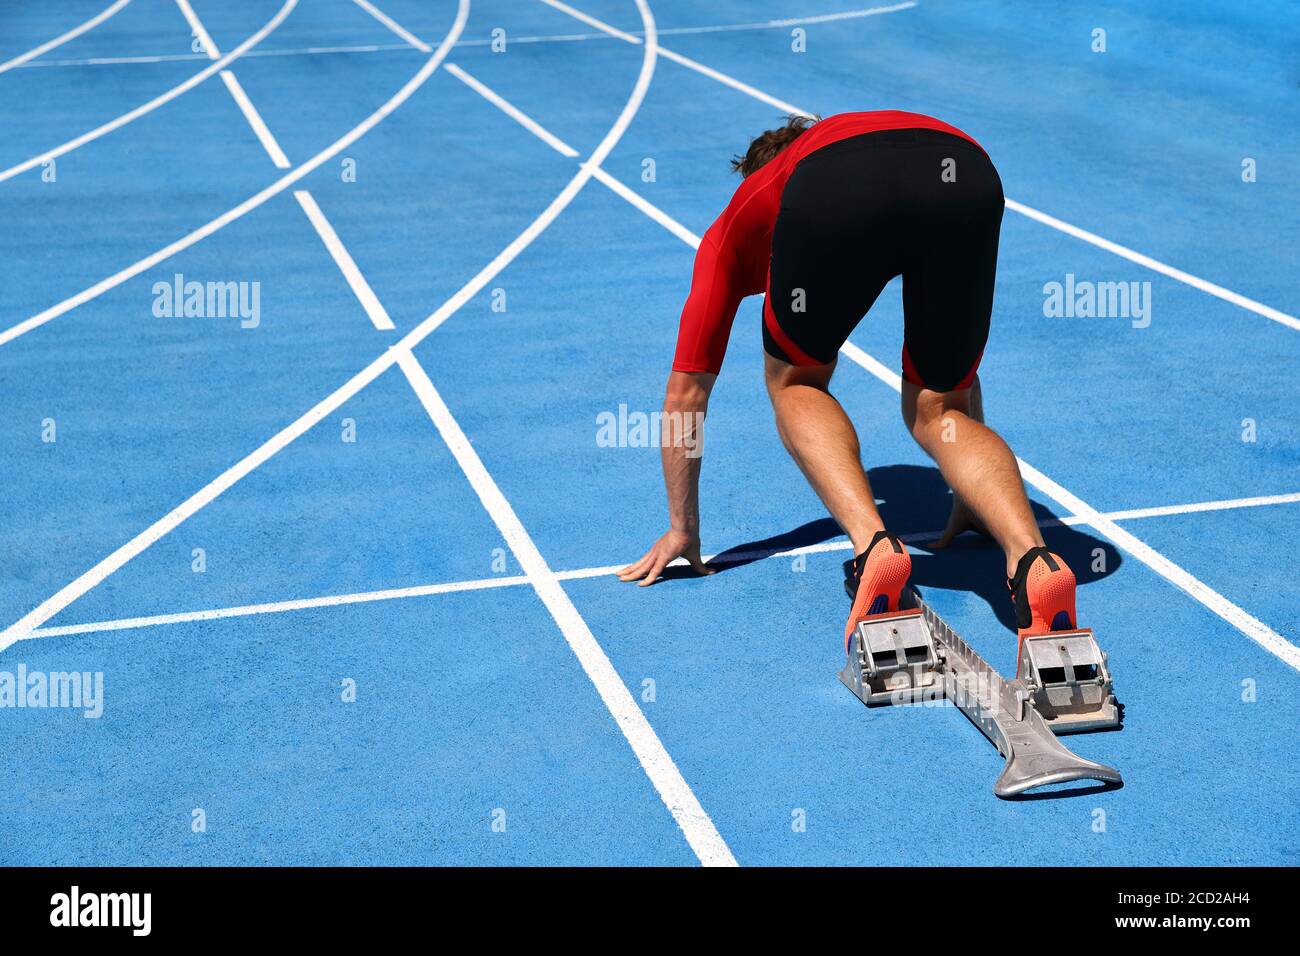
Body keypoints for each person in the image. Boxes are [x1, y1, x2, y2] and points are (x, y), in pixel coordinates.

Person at [617, 111, 1078, 650]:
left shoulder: (739, 223)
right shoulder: (840, 140)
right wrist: (973, 492)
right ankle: (1030, 557)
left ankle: (874, 547)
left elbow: (686, 394)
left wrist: (683, 527)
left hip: (838, 184)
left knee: (797, 383)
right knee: (941, 405)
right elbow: (960, 380)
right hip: (966, 170)